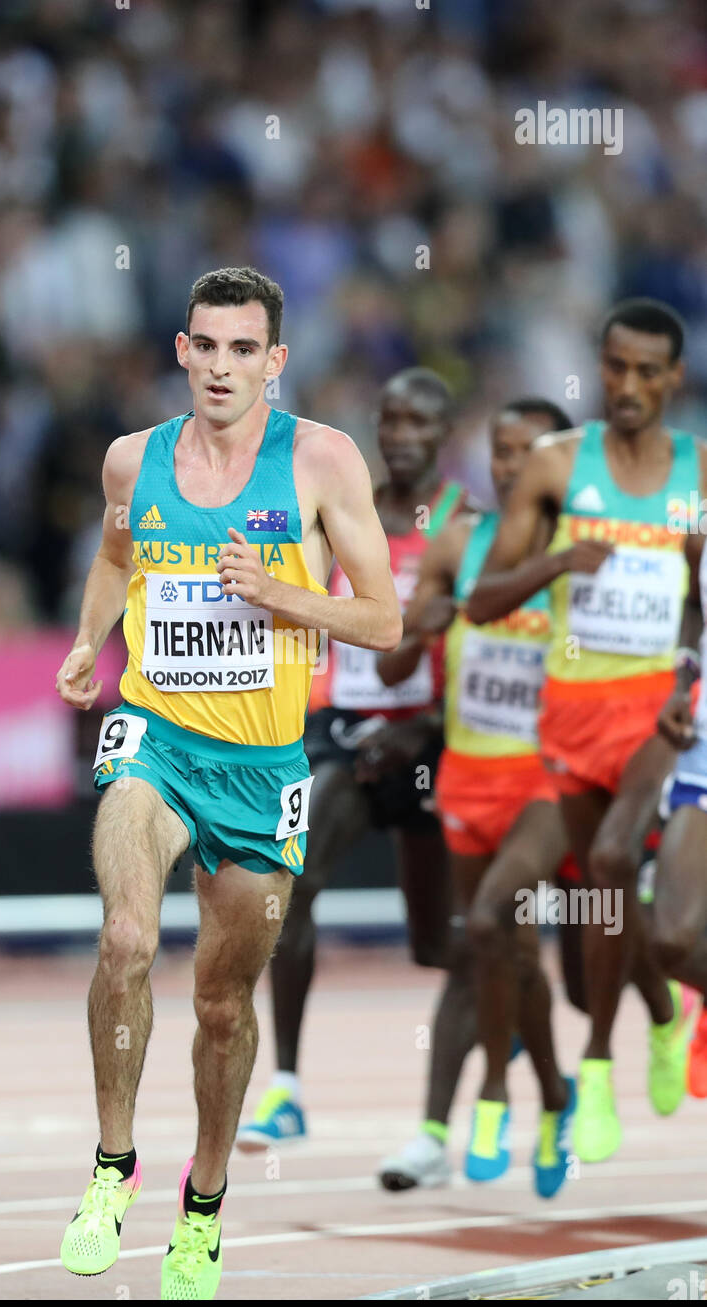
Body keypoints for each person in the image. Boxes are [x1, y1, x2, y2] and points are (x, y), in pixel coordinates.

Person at [54, 266, 402, 1299]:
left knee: (219, 1002)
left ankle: (200, 1206)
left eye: (241, 350)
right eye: (204, 346)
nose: (219, 366)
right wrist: (87, 641)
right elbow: (118, 557)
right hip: (155, 739)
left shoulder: (322, 461)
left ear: (273, 361)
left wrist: (285, 594)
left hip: (262, 768)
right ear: (180, 350)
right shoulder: (134, 460)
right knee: (124, 935)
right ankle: (112, 1168)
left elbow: (383, 618)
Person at [467, 298, 707, 1163]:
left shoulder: (700, 475)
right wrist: (560, 560)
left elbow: (700, 617)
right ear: (598, 365)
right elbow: (484, 604)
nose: (630, 385)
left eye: (649, 371)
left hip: (659, 710)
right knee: (598, 901)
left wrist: (688, 664)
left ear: (675, 378)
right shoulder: (555, 467)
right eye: (616, 367)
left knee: (611, 860)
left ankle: (599, 1063)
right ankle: (665, 1008)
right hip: (569, 712)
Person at [236, 368, 466, 1150]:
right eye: (390, 421)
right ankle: (288, 1087)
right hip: (345, 728)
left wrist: (427, 725)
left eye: (418, 425)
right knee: (292, 883)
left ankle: (506, 1021)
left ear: (445, 434)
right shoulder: (344, 504)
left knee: (435, 943)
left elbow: (480, 638)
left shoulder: (465, 524)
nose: (401, 437)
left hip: (434, 737)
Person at [376, 399, 576, 1196]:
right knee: (509, 953)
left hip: (547, 781)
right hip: (466, 778)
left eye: (526, 452)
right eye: (499, 449)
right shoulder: (457, 541)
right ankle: (555, 1099)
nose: (508, 465)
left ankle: (496, 1091)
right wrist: (417, 630)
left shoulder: (579, 552)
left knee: (495, 920)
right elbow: (391, 669)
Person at [652, 530, 707, 1093]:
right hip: (703, 758)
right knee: (672, 941)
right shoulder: (703, 525)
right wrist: (684, 677)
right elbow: (696, 598)